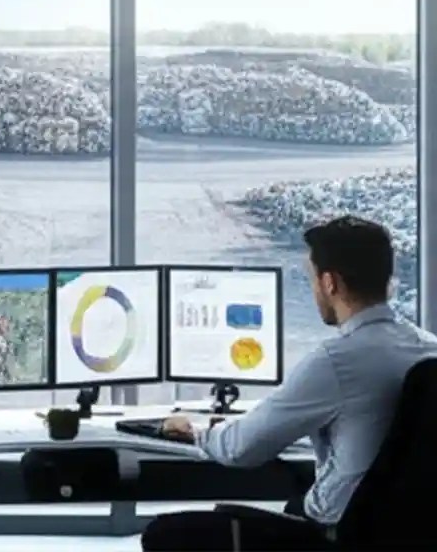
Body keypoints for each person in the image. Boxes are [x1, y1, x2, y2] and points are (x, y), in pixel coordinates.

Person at [142, 215, 437, 552]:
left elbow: (241, 448)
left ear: (330, 283)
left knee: (165, 535)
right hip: (403, 532)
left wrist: (196, 432)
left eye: (312, 279)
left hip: (339, 532)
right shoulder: (429, 347)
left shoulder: (336, 360)